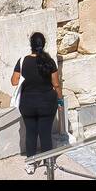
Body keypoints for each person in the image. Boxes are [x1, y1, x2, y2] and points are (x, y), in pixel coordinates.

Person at [10, 31, 63, 173]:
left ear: (31, 45)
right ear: (43, 44)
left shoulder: (22, 61)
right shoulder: (49, 62)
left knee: (31, 133)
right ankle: (48, 163)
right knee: (45, 133)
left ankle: (30, 164)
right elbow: (56, 84)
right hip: (47, 103)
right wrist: (60, 101)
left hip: (28, 104)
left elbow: (14, 81)